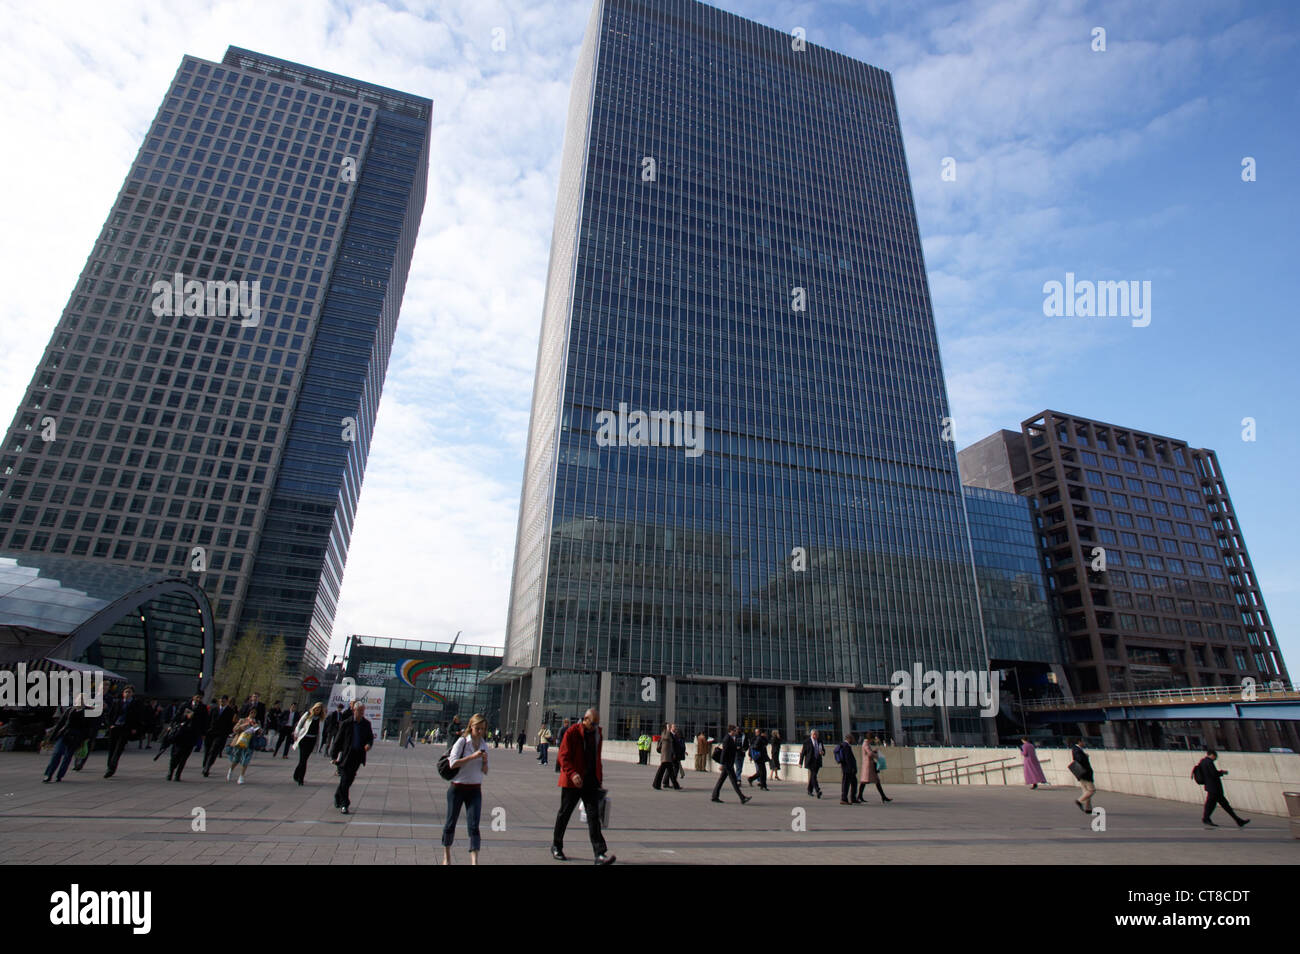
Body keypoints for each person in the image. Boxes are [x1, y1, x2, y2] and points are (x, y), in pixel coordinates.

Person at [551, 708, 615, 864]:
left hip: (590, 781)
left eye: (596, 723)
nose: (594, 726)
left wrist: (598, 779)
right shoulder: (572, 732)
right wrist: (572, 774)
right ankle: (556, 846)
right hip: (573, 781)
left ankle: (599, 853)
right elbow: (563, 756)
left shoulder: (597, 733)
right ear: (585, 719)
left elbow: (596, 758)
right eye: (592, 723)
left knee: (594, 817)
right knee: (564, 813)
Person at [442, 713, 491, 864]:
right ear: (471, 726)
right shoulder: (462, 742)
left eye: (483, 729)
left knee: (474, 825)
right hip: (457, 788)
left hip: (475, 789)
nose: (480, 732)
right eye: (478, 728)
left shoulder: (483, 744)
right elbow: (453, 763)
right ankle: (447, 854)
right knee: (451, 823)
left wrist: (484, 762)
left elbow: (485, 771)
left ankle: (474, 861)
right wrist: (473, 757)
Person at [331, 701, 374, 814]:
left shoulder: (366, 724)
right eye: (360, 711)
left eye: (363, 711)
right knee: (345, 779)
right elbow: (338, 740)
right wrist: (334, 756)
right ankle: (345, 804)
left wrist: (368, 744)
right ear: (354, 710)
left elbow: (370, 738)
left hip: (358, 755)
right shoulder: (346, 723)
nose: (361, 713)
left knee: (349, 779)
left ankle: (337, 795)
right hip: (346, 755)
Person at [43, 694, 92, 783]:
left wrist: (85, 740)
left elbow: (88, 728)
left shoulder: (88, 712)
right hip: (65, 734)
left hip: (76, 737)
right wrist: (51, 738)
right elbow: (60, 724)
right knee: (56, 754)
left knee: (67, 757)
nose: (81, 701)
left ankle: (60, 775)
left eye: (83, 699)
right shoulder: (69, 710)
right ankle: (48, 775)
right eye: (79, 699)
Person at [1196, 749, 1250, 828]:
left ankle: (1238, 820)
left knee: (1221, 805)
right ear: (1212, 755)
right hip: (1214, 788)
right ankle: (1206, 818)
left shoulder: (1203, 762)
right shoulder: (1209, 762)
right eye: (1215, 756)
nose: (1216, 758)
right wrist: (1222, 772)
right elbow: (1213, 773)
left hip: (1210, 787)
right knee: (1212, 804)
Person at [103, 685, 144, 778]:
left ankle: (111, 768)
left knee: (118, 748)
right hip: (115, 727)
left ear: (133, 693)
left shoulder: (136, 703)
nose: (127, 694)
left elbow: (138, 716)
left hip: (126, 728)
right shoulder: (117, 702)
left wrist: (135, 728)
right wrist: (110, 725)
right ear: (123, 693)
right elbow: (110, 715)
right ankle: (109, 766)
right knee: (111, 748)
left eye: (129, 692)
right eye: (126, 692)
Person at [166, 695, 205, 781]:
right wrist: (172, 725)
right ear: (194, 697)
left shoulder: (202, 708)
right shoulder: (185, 705)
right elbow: (177, 716)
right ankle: (171, 771)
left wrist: (202, 733)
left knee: (185, 756)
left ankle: (178, 774)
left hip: (192, 735)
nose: (199, 699)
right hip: (181, 733)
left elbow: (204, 721)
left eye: (200, 698)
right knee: (176, 754)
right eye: (197, 697)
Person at [711, 724, 751, 804]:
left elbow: (729, 749)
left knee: (721, 780)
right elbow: (724, 752)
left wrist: (736, 748)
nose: (736, 732)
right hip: (727, 763)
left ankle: (714, 796)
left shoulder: (730, 738)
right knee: (734, 781)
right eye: (735, 730)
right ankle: (742, 797)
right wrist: (722, 764)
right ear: (731, 731)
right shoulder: (727, 738)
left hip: (728, 763)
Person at [291, 703, 325, 785]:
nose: (317, 710)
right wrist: (296, 734)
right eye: (316, 709)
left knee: (304, 759)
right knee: (303, 759)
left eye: (319, 709)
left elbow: (321, 731)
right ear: (314, 708)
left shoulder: (321, 719)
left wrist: (319, 744)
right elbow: (299, 724)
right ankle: (300, 779)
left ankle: (296, 774)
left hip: (312, 740)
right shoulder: (308, 714)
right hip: (304, 739)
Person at [202, 695, 236, 776]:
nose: (222, 702)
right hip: (210, 733)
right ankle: (205, 765)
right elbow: (207, 720)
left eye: (224, 701)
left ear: (227, 701)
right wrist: (204, 732)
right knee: (207, 751)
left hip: (221, 734)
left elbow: (231, 724)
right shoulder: (214, 709)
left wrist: (227, 733)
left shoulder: (230, 711)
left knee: (213, 751)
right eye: (221, 700)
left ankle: (207, 767)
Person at [224, 713, 260, 784]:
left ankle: (241, 776)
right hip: (240, 742)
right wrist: (245, 725)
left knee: (246, 760)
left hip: (249, 744)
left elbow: (259, 732)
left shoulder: (256, 722)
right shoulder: (242, 720)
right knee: (236, 759)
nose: (253, 715)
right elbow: (235, 729)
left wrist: (257, 728)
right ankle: (231, 770)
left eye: (255, 713)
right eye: (251, 712)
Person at [859, 738, 891, 802]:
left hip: (869, 765)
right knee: (868, 781)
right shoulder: (866, 744)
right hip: (868, 765)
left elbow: (869, 753)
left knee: (866, 781)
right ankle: (883, 796)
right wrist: (877, 755)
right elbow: (870, 754)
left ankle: (860, 796)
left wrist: (873, 751)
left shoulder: (866, 744)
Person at [1069, 738, 1096, 813]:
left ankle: (1088, 809)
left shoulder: (1076, 749)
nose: (1084, 743)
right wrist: (1085, 756)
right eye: (1083, 741)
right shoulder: (1077, 750)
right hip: (1084, 773)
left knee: (1086, 791)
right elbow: (1080, 759)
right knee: (1091, 790)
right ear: (1079, 742)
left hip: (1081, 773)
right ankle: (1079, 801)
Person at [652, 724, 680, 790]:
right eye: (669, 726)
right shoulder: (665, 733)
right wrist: (668, 729)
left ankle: (675, 785)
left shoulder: (667, 733)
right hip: (666, 756)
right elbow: (666, 738)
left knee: (669, 771)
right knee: (665, 771)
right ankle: (656, 784)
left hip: (667, 756)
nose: (670, 727)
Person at [799, 730, 825, 798]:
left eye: (817, 735)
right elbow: (803, 753)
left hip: (817, 761)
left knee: (813, 776)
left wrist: (822, 752)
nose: (816, 736)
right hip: (810, 761)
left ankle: (809, 790)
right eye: (814, 735)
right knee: (814, 776)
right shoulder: (807, 742)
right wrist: (800, 762)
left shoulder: (820, 741)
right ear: (811, 734)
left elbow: (823, 750)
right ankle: (817, 790)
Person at [835, 733, 859, 804]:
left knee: (853, 783)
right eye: (852, 738)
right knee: (846, 783)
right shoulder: (846, 746)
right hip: (848, 769)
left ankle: (853, 798)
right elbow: (848, 758)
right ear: (849, 739)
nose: (853, 740)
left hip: (847, 768)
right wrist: (851, 768)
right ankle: (844, 799)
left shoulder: (845, 745)